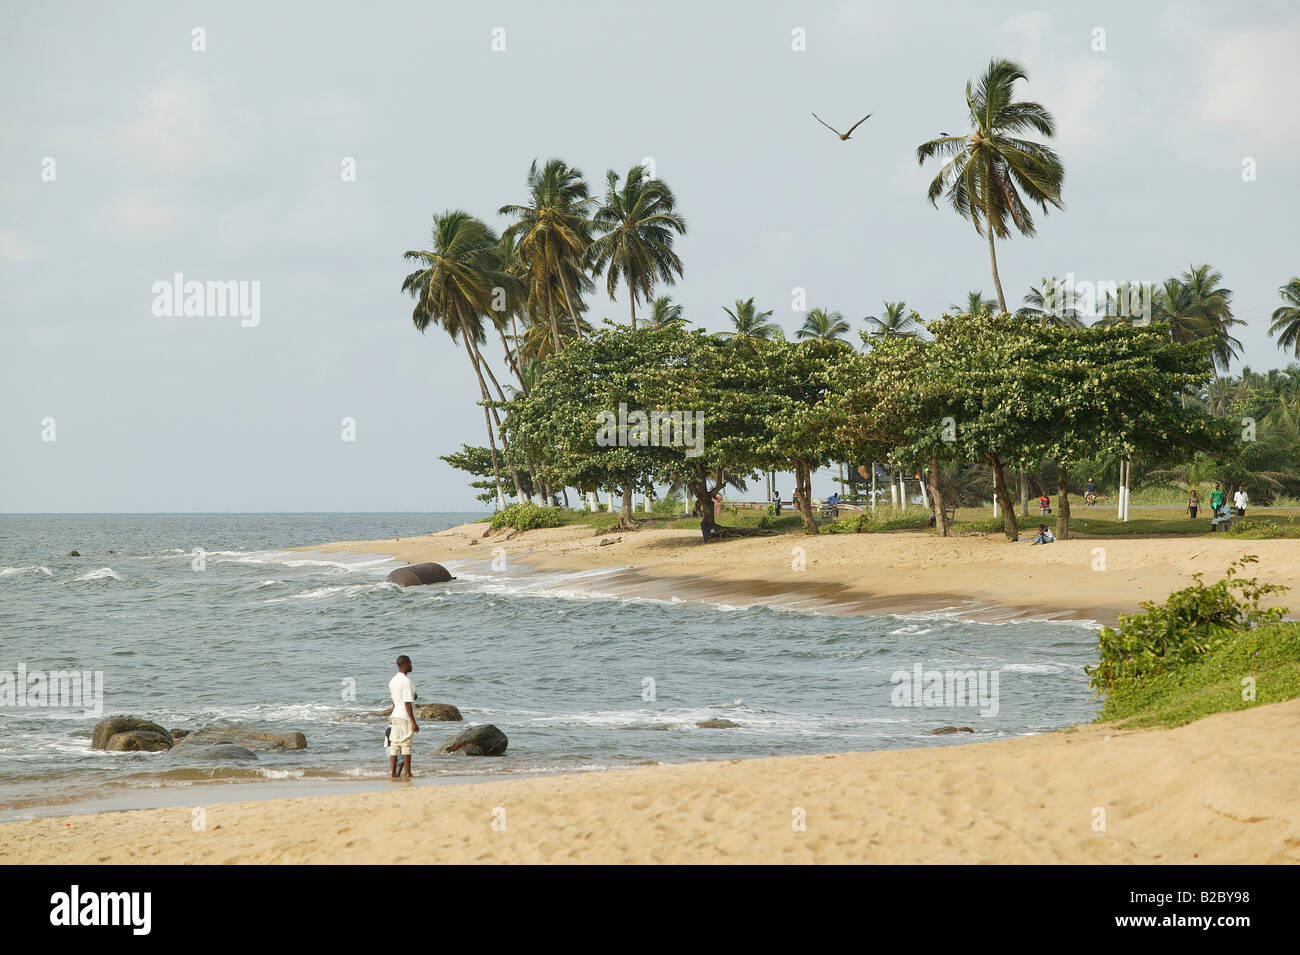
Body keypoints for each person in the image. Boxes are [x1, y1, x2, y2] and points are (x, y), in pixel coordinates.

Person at [387, 655, 419, 779]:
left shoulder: (393, 681)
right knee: (406, 744)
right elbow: (407, 702)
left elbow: (395, 701)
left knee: (395, 744)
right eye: (410, 663)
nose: (411, 665)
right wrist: (413, 722)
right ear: (405, 664)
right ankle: (408, 773)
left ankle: (393, 773)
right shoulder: (406, 681)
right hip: (404, 716)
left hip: (394, 714)